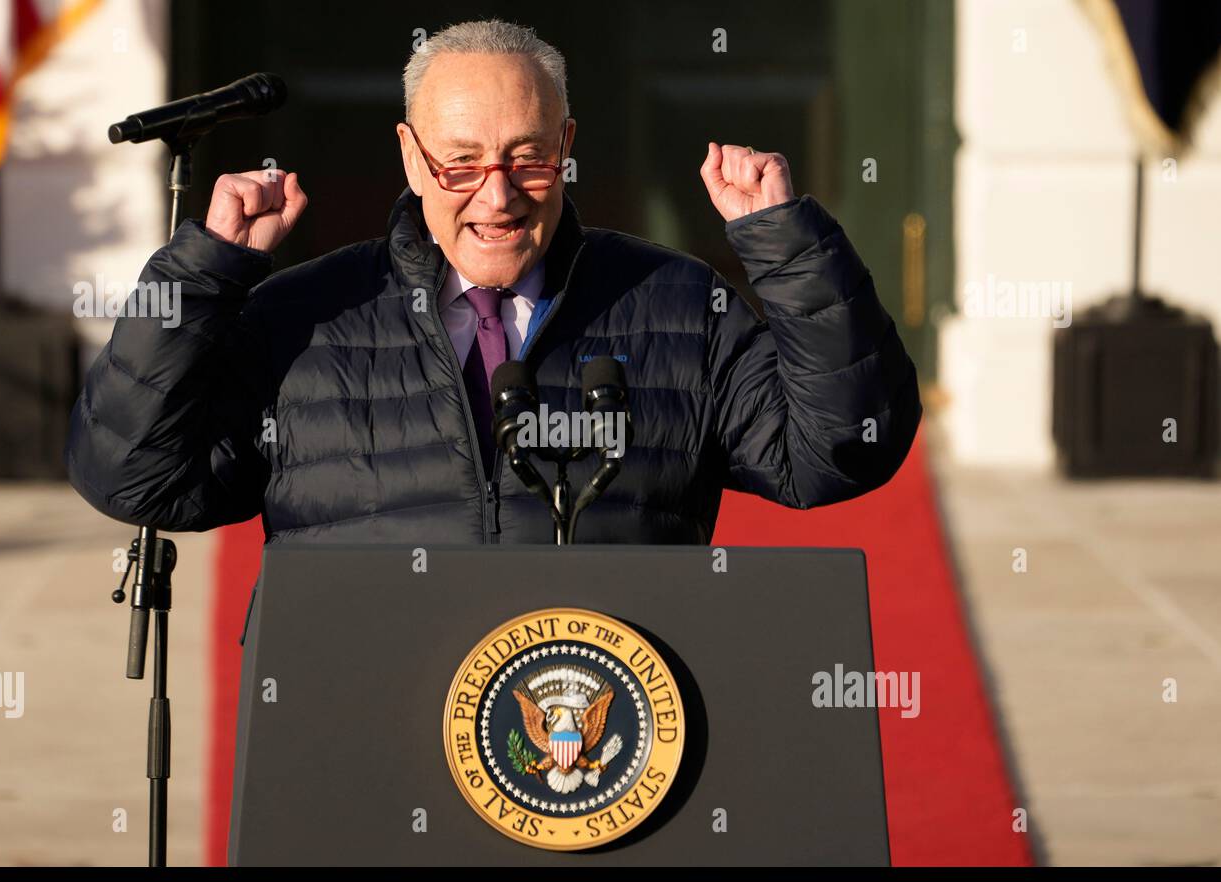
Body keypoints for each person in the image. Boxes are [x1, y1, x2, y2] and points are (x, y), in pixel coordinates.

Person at [65, 19, 922, 545]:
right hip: (356, 748)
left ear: (569, 143)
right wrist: (202, 274)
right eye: (462, 163)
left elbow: (842, 454)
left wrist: (789, 249)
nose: (499, 195)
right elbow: (134, 477)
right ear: (409, 155)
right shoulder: (302, 317)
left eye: (530, 158)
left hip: (612, 758)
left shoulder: (678, 305)